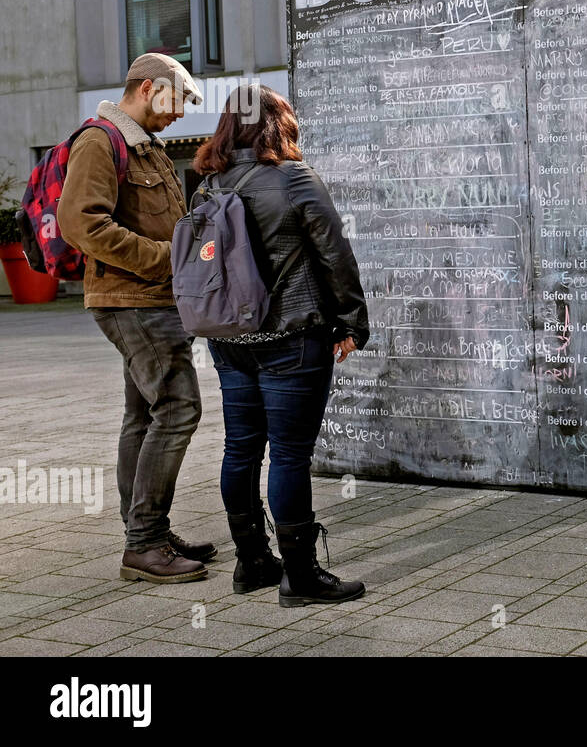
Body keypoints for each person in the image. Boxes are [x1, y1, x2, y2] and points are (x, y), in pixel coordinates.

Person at [191, 84, 369, 606]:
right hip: (292, 337)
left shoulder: (206, 186)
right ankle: (301, 577)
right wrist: (353, 322)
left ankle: (252, 563)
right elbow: (335, 255)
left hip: (229, 340)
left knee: (240, 448)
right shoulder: (293, 179)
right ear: (278, 124)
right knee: (289, 455)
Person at [58, 53, 213, 584]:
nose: (182, 116)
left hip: (150, 300)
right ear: (149, 89)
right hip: (133, 300)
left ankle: (146, 532)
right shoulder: (101, 141)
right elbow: (81, 222)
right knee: (179, 407)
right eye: (178, 102)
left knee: (144, 416)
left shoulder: (149, 148)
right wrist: (165, 261)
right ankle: (144, 543)